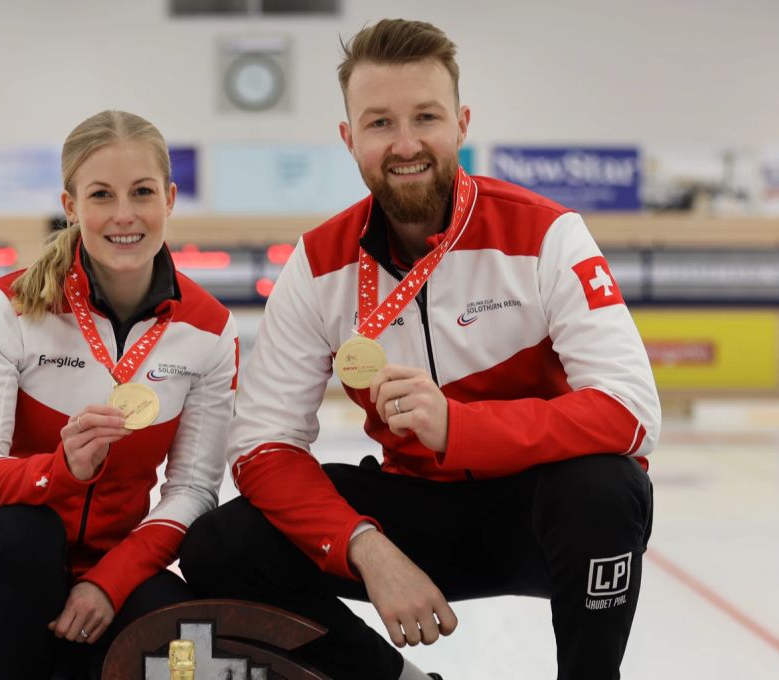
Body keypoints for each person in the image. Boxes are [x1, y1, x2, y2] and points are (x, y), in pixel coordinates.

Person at [179, 19, 658, 680]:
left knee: (606, 487)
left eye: (425, 117)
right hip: (413, 516)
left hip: (543, 515)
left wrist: (461, 428)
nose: (405, 144)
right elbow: (263, 445)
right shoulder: (319, 264)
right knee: (220, 546)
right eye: (380, 123)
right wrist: (363, 545)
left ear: (461, 124)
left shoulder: (547, 234)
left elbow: (631, 410)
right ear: (349, 138)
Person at [0, 110, 238, 680]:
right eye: (101, 195)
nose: (124, 215)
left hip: (108, 577)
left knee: (186, 636)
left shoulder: (208, 329)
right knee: (27, 531)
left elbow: (192, 491)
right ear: (72, 206)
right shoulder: (7, 308)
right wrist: (59, 472)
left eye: (142, 192)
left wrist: (111, 580)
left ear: (170, 199)